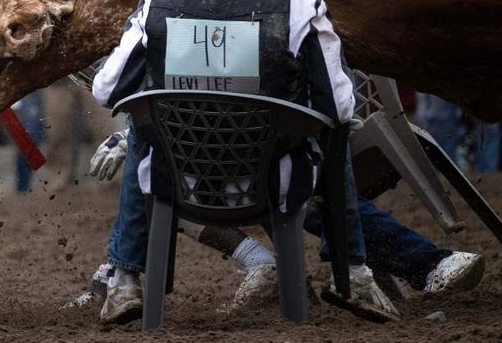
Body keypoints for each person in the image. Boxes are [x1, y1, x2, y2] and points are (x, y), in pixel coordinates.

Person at [90, 0, 400, 325]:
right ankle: (352, 271)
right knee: (332, 133)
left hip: (179, 179)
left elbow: (107, 89)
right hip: (274, 181)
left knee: (144, 129)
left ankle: (124, 277)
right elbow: (341, 106)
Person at [75, 129, 485, 313]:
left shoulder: (166, 10)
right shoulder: (290, 2)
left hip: (246, 171)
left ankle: (120, 275)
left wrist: (131, 135)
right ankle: (416, 264)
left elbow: (120, 91)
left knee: (152, 170)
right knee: (310, 185)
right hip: (263, 171)